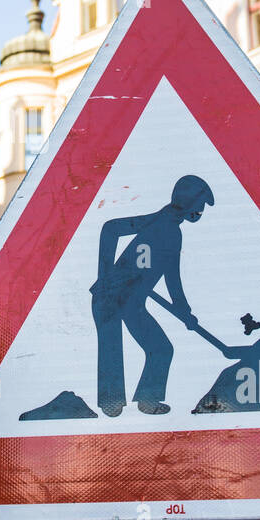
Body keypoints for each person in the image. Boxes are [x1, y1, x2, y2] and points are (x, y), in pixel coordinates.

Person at [90, 175, 214, 416]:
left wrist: (185, 313)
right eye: (200, 204)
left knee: (161, 349)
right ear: (189, 200)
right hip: (110, 296)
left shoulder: (174, 234)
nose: (201, 210)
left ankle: (148, 400)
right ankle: (111, 402)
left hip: (133, 303)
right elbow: (110, 228)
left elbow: (172, 279)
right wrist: (104, 276)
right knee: (111, 346)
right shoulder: (159, 221)